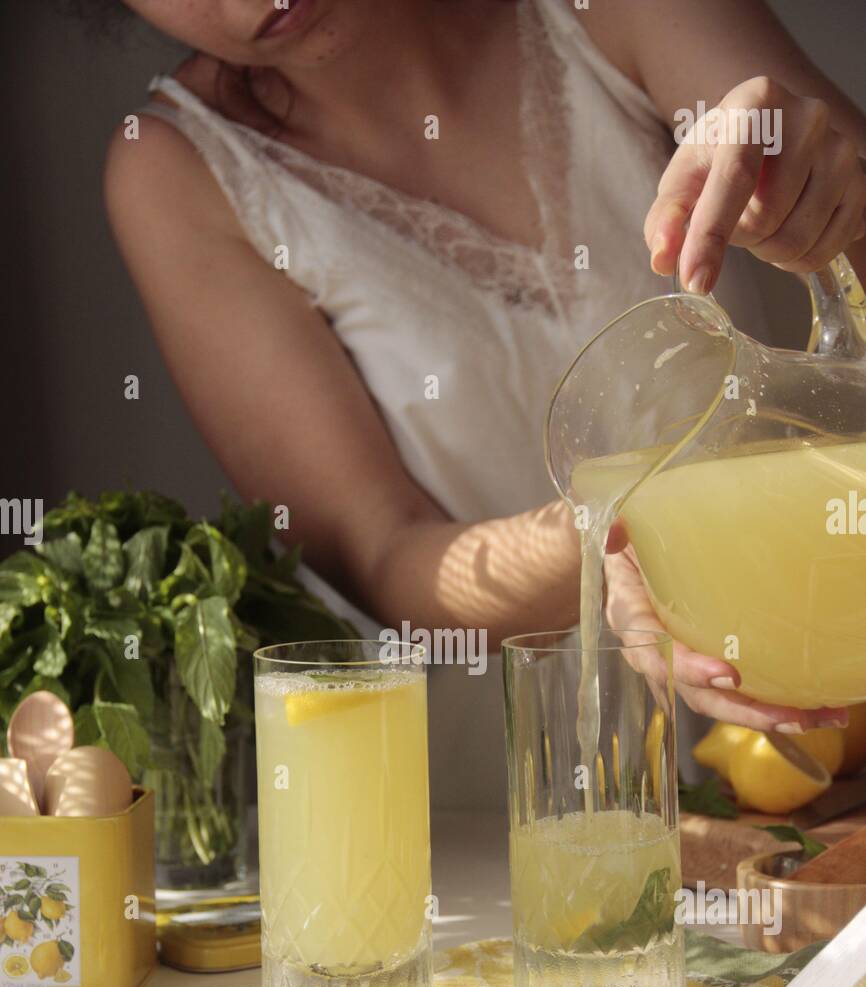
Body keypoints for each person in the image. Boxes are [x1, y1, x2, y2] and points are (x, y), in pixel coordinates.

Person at [92, 0, 866, 732]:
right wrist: (620, 532)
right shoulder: (175, 169)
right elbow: (386, 552)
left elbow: (837, 225)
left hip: (801, 688)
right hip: (496, 790)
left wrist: (833, 189)